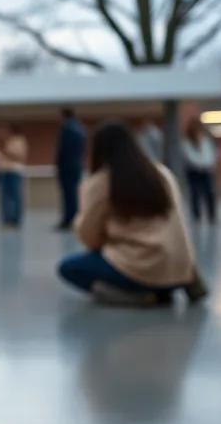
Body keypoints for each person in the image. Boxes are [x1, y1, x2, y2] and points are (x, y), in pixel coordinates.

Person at [58, 121, 204, 306]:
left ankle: (139, 296)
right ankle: (182, 280)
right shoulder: (161, 173)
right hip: (179, 265)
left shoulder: (102, 181)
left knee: (69, 267)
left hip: (140, 268)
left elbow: (89, 236)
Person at [55, 108, 87, 231]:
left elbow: (64, 151)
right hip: (76, 166)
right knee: (73, 194)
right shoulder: (80, 128)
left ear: (64, 115)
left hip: (67, 167)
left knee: (68, 194)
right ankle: (73, 218)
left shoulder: (67, 129)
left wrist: (59, 165)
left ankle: (69, 220)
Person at [181, 118, 217, 223]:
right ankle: (197, 216)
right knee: (195, 194)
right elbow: (189, 157)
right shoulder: (186, 142)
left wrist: (208, 165)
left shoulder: (206, 141)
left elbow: (211, 154)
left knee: (209, 193)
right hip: (194, 171)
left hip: (207, 170)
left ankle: (211, 216)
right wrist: (200, 165)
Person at [0, 123, 27, 228]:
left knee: (15, 196)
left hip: (15, 171)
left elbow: (19, 155)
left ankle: (15, 220)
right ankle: (6, 220)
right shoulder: (0, 143)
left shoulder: (18, 140)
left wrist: (6, 151)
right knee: (5, 197)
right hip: (3, 171)